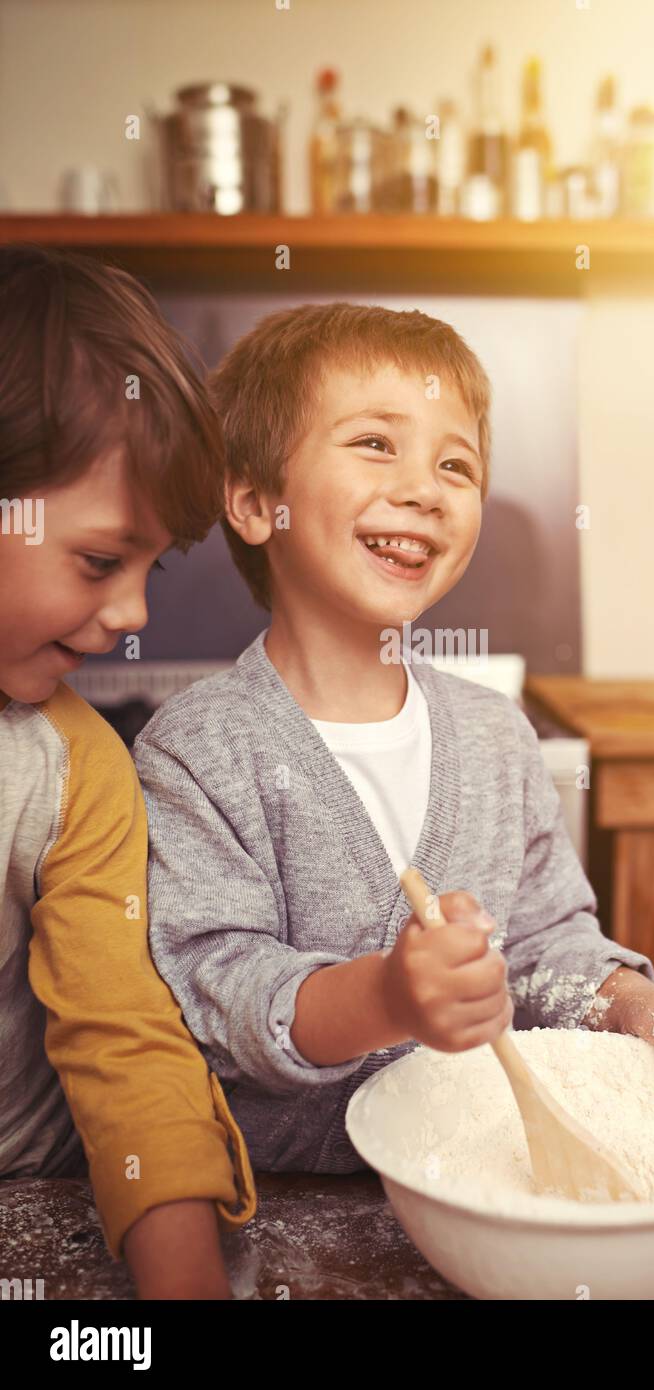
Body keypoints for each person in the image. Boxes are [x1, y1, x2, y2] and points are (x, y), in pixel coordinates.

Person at [133, 302, 654, 1181]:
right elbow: (220, 990)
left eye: (456, 464)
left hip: (485, 1182)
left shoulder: (495, 738)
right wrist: (387, 996)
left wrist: (624, 998)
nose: (425, 488)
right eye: (374, 445)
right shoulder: (196, 752)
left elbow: (547, 950)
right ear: (252, 500)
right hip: (292, 1210)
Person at [0, 246, 256, 1298]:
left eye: (153, 567)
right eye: (103, 561)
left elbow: (127, 1046)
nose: (134, 614)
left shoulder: (78, 773)